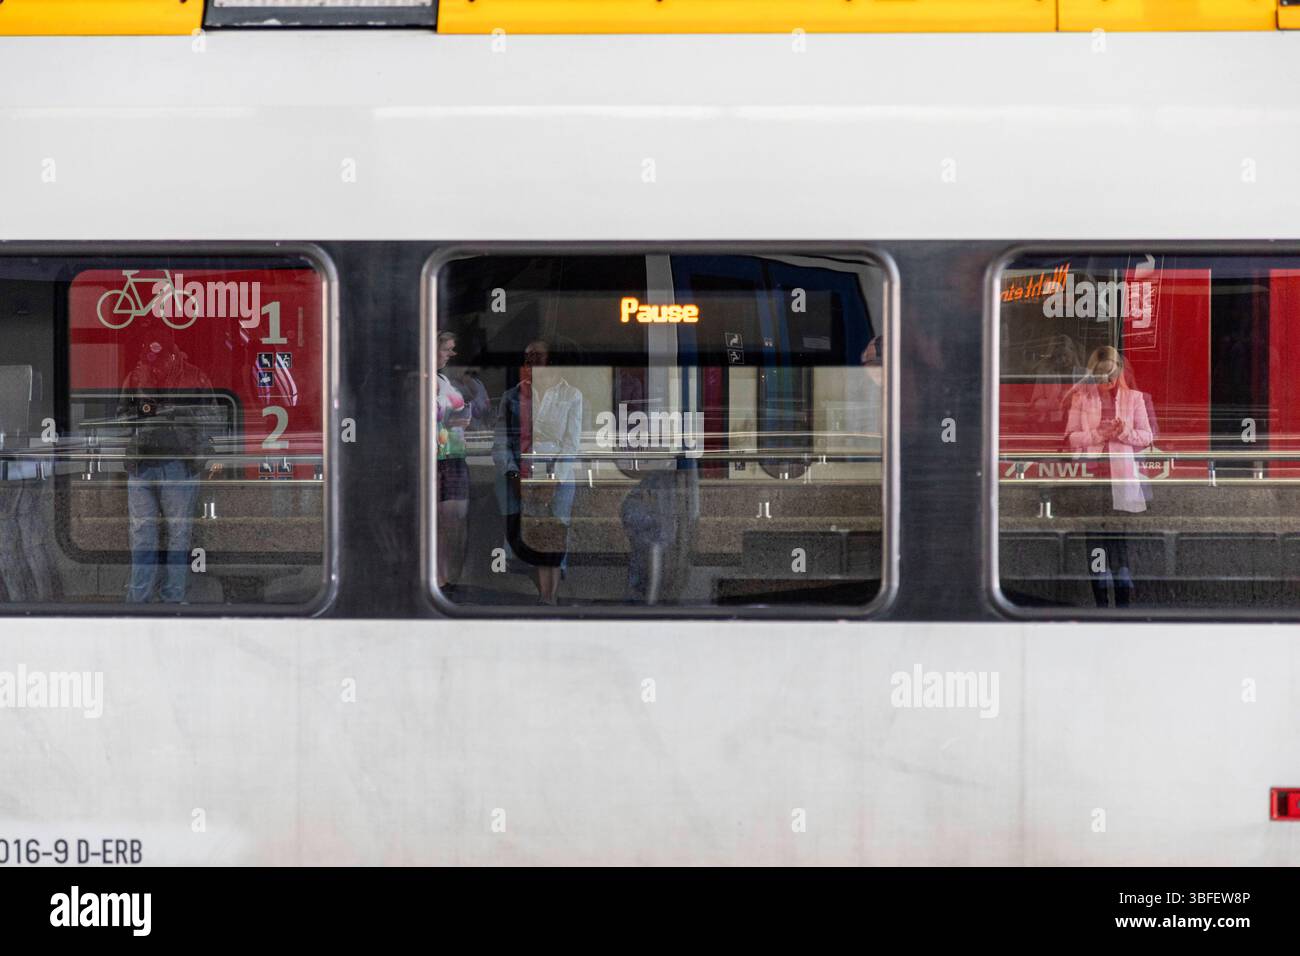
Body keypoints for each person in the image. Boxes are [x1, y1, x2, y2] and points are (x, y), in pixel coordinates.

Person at [117, 331, 223, 603]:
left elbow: (212, 419)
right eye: (151, 355)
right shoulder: (138, 377)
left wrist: (175, 413)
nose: (156, 361)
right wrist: (144, 416)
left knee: (177, 534)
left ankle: (172, 597)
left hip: (178, 461)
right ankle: (138, 598)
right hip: (143, 463)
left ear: (173, 353)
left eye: (160, 355)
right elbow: (122, 419)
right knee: (143, 535)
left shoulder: (193, 376)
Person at [493, 339, 583, 605]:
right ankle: (544, 594)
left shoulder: (571, 395)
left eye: (537, 356)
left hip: (557, 475)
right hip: (521, 472)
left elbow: (571, 444)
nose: (531, 361)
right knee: (526, 536)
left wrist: (553, 479)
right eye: (527, 356)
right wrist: (512, 474)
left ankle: (548, 597)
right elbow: (501, 441)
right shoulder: (512, 396)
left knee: (553, 534)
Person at [1065, 346, 1153, 607]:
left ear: (1120, 375)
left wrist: (1123, 432)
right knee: (1095, 546)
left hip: (1122, 479)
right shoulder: (1081, 398)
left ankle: (1123, 607)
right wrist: (1099, 435)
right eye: (1101, 380)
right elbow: (1071, 437)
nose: (1107, 385)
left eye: (1111, 379)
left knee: (1119, 545)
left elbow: (1147, 437)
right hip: (1092, 480)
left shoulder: (1134, 399)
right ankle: (1101, 606)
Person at [0, 366, 61, 603]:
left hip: (10, 473)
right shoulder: (38, 401)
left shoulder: (12, 403)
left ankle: (18, 602)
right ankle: (46, 601)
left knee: (7, 544)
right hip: (30, 470)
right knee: (33, 541)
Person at [435, 331, 473, 591]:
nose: (452, 354)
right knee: (437, 521)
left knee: (454, 520)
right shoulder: (422, 381)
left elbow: (460, 409)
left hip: (453, 454)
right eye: (446, 348)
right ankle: (437, 577)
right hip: (435, 457)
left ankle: (448, 577)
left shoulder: (442, 379)